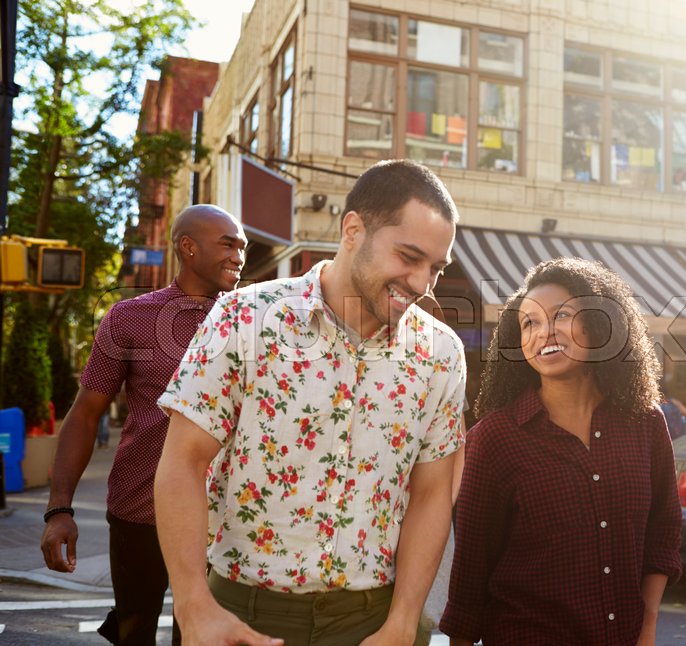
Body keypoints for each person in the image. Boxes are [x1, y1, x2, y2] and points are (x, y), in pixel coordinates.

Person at [154, 159, 466, 646]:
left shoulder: (442, 353)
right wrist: (194, 608)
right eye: (409, 256)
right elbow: (182, 462)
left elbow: (432, 492)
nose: (423, 283)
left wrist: (405, 622)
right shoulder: (243, 318)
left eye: (436, 267)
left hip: (375, 621)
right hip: (243, 611)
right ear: (353, 230)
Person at [440, 257, 682, 646]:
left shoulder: (645, 422)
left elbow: (663, 528)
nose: (543, 332)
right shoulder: (495, 439)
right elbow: (470, 575)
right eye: (529, 323)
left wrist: (647, 625)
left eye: (562, 315)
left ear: (601, 323)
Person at [40, 205, 248, 645]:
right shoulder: (129, 317)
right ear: (188, 248)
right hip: (140, 510)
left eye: (242, 247)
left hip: (226, 519)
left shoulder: (254, 321)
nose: (239, 255)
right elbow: (85, 414)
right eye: (228, 244)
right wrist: (59, 509)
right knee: (134, 631)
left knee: (203, 637)